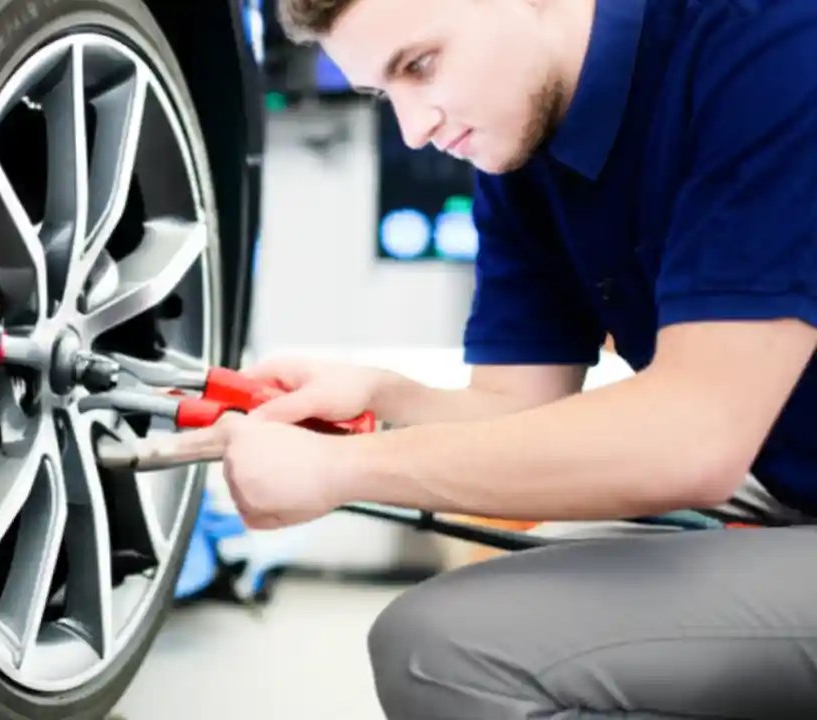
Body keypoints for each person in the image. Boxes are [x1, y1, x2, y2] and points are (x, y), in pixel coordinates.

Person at [129, 0, 817, 716]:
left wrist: (342, 471)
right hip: (785, 481)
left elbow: (691, 441)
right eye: (382, 92)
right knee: (538, 560)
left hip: (757, 472)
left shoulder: (772, 38)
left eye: (420, 65)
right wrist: (382, 396)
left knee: (445, 652)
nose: (414, 128)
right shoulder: (522, 141)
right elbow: (517, 408)